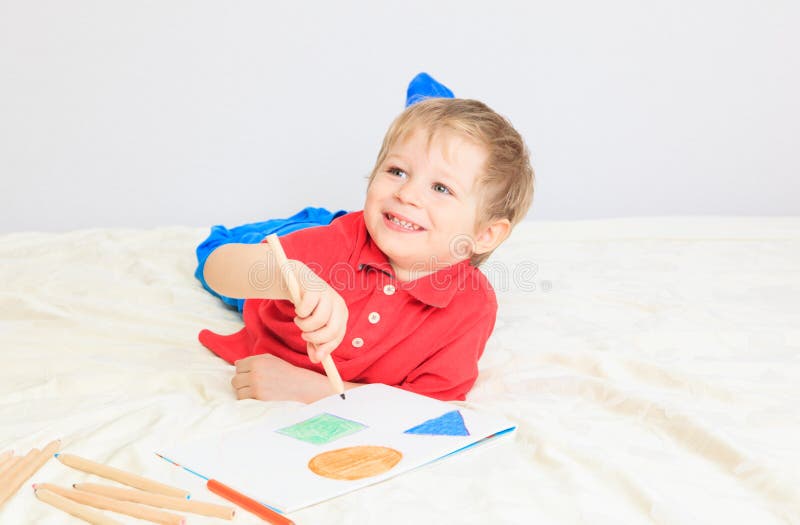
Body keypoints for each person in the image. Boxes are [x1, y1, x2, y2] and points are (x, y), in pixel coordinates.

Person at [200, 95, 534, 403]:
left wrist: (314, 390)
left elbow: (426, 406)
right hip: (306, 249)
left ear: (487, 234)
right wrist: (293, 278)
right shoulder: (337, 243)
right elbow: (218, 267)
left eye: (441, 188)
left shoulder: (471, 307)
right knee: (219, 245)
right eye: (397, 171)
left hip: (376, 227)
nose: (407, 193)